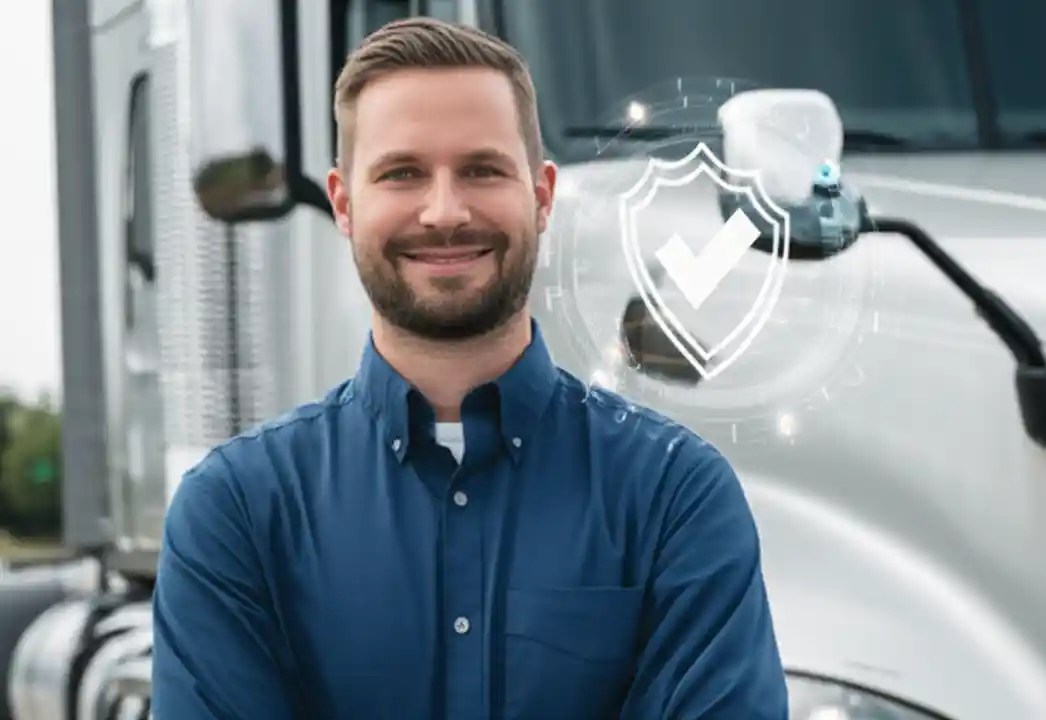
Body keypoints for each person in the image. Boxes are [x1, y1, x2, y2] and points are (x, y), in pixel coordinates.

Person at [150, 16, 789, 720]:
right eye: (402, 174)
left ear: (542, 196)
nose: (445, 211)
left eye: (482, 170)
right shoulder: (237, 512)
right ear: (343, 203)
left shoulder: (675, 498)